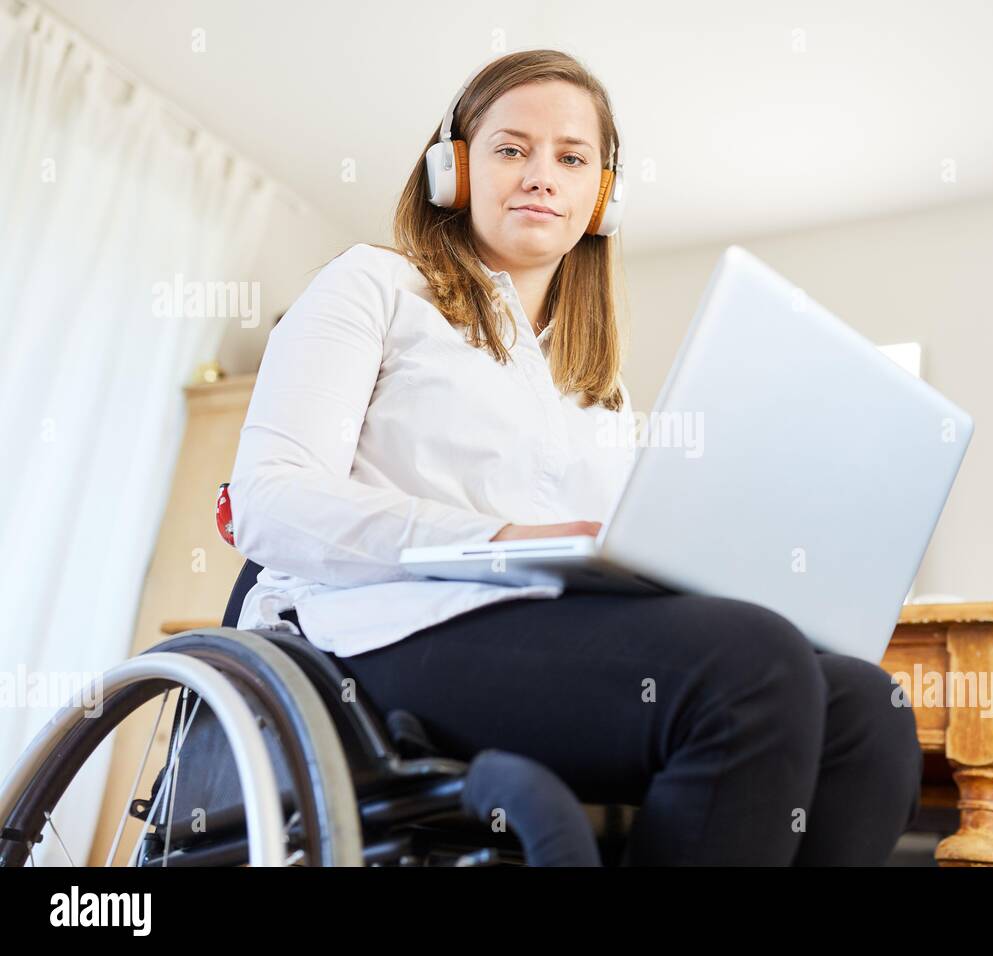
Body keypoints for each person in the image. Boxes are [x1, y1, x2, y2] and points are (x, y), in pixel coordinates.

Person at [229, 49, 922, 865]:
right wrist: (495, 540)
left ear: (604, 195)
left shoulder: (602, 390)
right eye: (511, 149)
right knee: (752, 667)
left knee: (869, 707)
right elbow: (269, 503)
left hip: (545, 636)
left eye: (571, 158)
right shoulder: (373, 288)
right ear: (451, 171)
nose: (540, 176)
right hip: (370, 641)